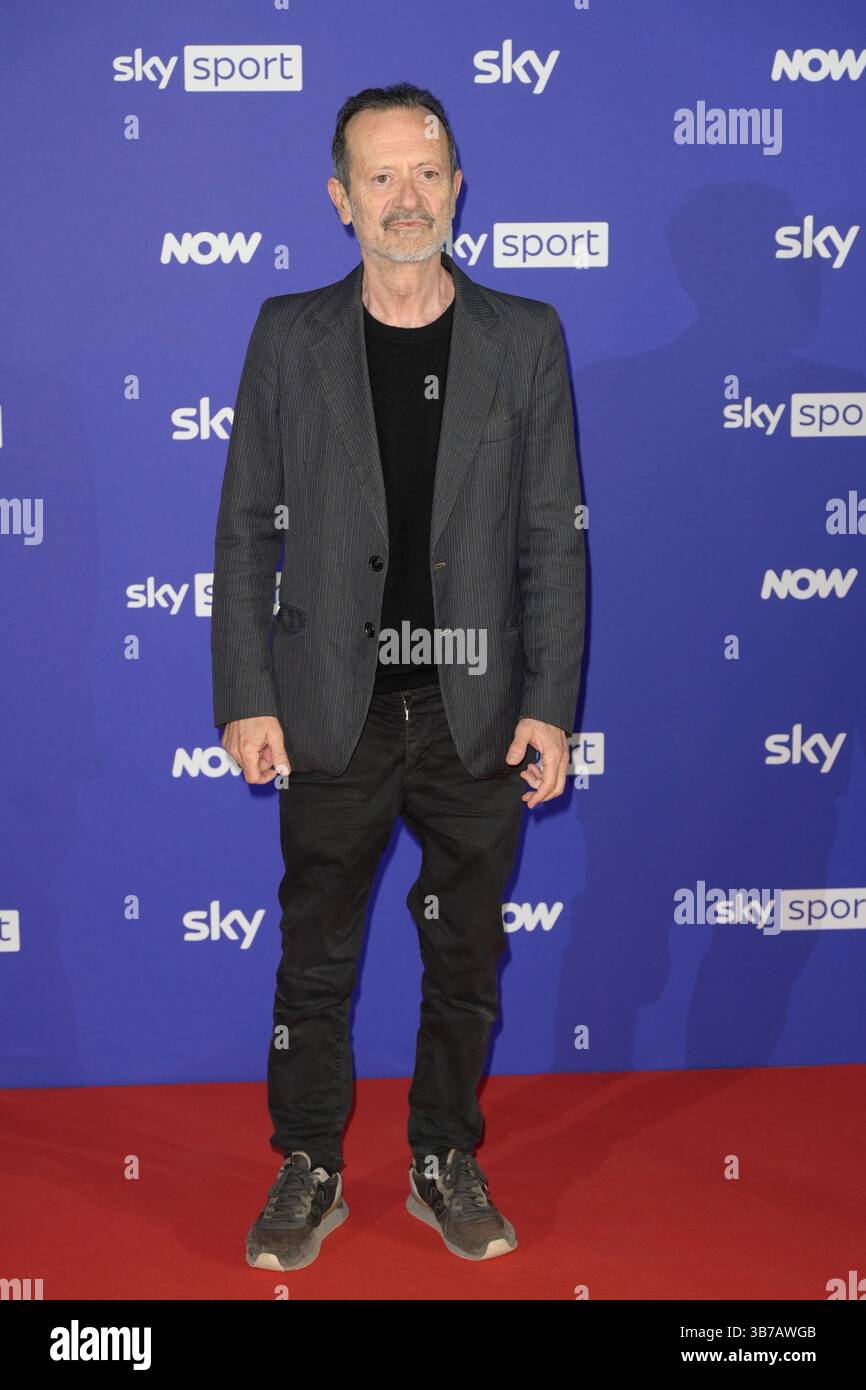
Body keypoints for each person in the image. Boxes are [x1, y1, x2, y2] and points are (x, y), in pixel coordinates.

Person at [211, 82, 586, 1270]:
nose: (406, 197)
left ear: (458, 186)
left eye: (426, 172)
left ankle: (441, 1157)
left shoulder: (525, 338)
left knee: (463, 952)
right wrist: (244, 692)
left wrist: (547, 703)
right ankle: (308, 1163)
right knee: (314, 955)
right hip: (333, 704)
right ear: (340, 199)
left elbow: (550, 536)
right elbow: (242, 531)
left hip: (473, 705)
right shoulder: (287, 334)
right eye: (380, 176)